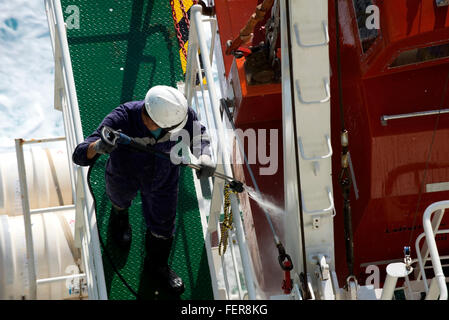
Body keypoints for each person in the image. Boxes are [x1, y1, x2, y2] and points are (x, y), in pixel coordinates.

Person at [72, 85, 215, 295]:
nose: (172, 132)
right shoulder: (122, 117)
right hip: (124, 176)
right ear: (148, 118)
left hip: (164, 180)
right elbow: (79, 154)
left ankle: (157, 265)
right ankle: (120, 218)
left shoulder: (181, 116)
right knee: (119, 201)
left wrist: (205, 155)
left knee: (164, 227)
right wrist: (98, 147)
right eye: (168, 129)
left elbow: (198, 136)